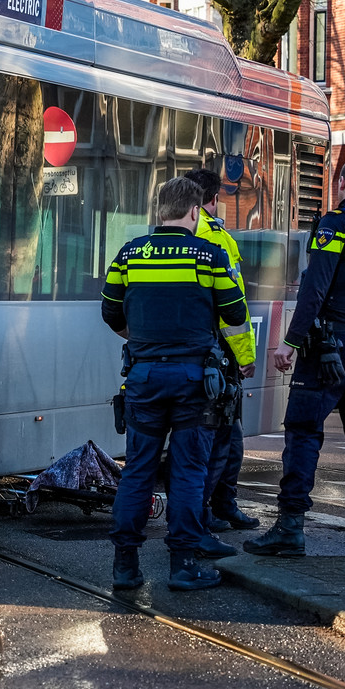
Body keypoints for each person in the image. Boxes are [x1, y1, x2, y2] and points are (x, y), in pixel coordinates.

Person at [246, 157, 345, 558]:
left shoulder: (336, 223)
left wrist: (290, 342)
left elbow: (315, 286)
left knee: (302, 430)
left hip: (330, 346)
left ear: (342, 182)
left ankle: (289, 527)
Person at [102, 177, 249, 592]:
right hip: (194, 380)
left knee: (138, 472)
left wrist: (141, 339)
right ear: (195, 212)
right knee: (188, 471)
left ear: (159, 212)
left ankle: (125, 567)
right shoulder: (210, 254)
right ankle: (183, 566)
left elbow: (110, 311)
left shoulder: (130, 254)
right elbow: (235, 314)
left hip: (144, 377)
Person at [185, 168, 259, 551]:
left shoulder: (161, 237)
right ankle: (214, 510)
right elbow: (234, 308)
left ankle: (210, 510)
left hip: (185, 353)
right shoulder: (217, 239)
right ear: (211, 201)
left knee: (199, 440)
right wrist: (246, 357)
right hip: (220, 356)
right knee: (225, 437)